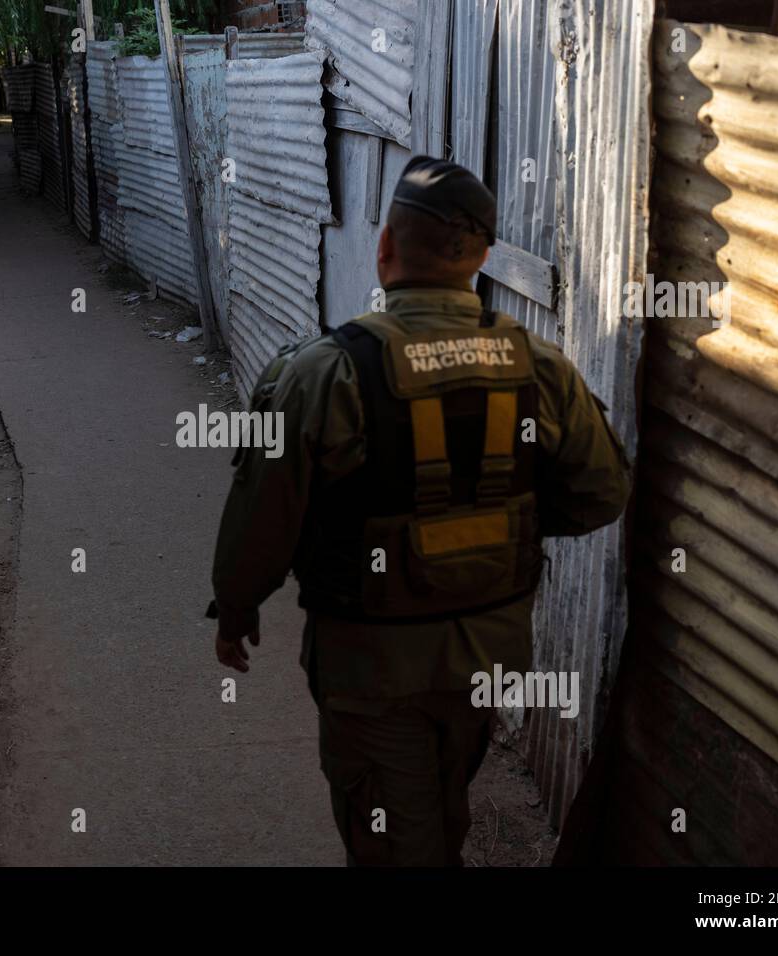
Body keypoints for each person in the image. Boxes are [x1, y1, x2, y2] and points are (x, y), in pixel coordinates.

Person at [208, 156, 632, 866]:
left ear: (385, 248)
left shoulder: (324, 372)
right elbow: (602, 493)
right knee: (442, 806)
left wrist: (236, 606)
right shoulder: (539, 366)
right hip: (490, 654)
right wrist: (498, 524)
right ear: (481, 258)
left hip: (371, 666)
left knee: (396, 837)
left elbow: (265, 517)